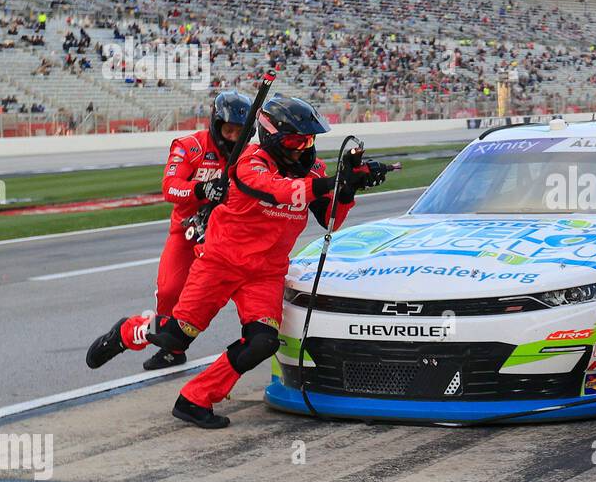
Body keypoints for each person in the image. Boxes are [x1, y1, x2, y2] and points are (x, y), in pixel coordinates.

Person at [84, 95, 389, 428]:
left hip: (266, 273)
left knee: (262, 341)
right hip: (221, 262)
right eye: (296, 140)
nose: (304, 148)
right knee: (175, 337)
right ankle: (129, 331)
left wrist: (348, 190)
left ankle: (194, 399)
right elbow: (278, 191)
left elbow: (331, 221)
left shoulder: (315, 170)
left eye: (310, 140)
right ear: (272, 137)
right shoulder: (249, 163)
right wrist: (332, 183)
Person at [142, 90, 253, 370]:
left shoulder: (251, 155)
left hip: (229, 232)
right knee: (168, 290)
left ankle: (258, 340)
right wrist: (202, 189)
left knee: (250, 287)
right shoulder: (189, 146)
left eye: (239, 132)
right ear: (216, 125)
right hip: (187, 228)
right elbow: (169, 188)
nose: (233, 137)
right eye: (228, 130)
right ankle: (170, 347)